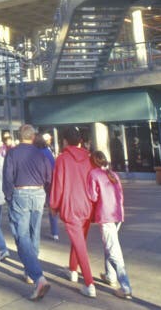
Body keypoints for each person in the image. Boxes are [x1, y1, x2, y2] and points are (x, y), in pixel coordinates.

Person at [2, 124, 52, 301]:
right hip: (38, 193)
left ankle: (38, 276)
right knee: (34, 233)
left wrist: (9, 197)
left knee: (21, 236)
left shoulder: (13, 153)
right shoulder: (41, 154)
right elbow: (49, 176)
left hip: (20, 193)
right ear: (33, 137)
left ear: (20, 136)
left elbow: (8, 177)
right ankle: (31, 272)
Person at [50, 127, 96, 298]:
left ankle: (89, 283)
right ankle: (73, 270)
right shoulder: (89, 158)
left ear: (65, 141)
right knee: (79, 240)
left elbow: (58, 184)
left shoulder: (62, 159)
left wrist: (54, 204)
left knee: (79, 244)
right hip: (87, 205)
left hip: (71, 205)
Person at [87, 150, 133, 299]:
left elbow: (92, 196)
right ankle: (110, 276)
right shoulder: (113, 174)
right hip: (117, 214)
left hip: (105, 215)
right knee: (110, 244)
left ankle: (125, 286)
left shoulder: (94, 174)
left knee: (113, 250)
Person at [35, 132, 59, 241]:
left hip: (39, 182)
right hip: (50, 181)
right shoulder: (48, 151)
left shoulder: (34, 153)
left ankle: (35, 230)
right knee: (51, 206)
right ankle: (55, 232)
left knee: (37, 207)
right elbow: (53, 165)